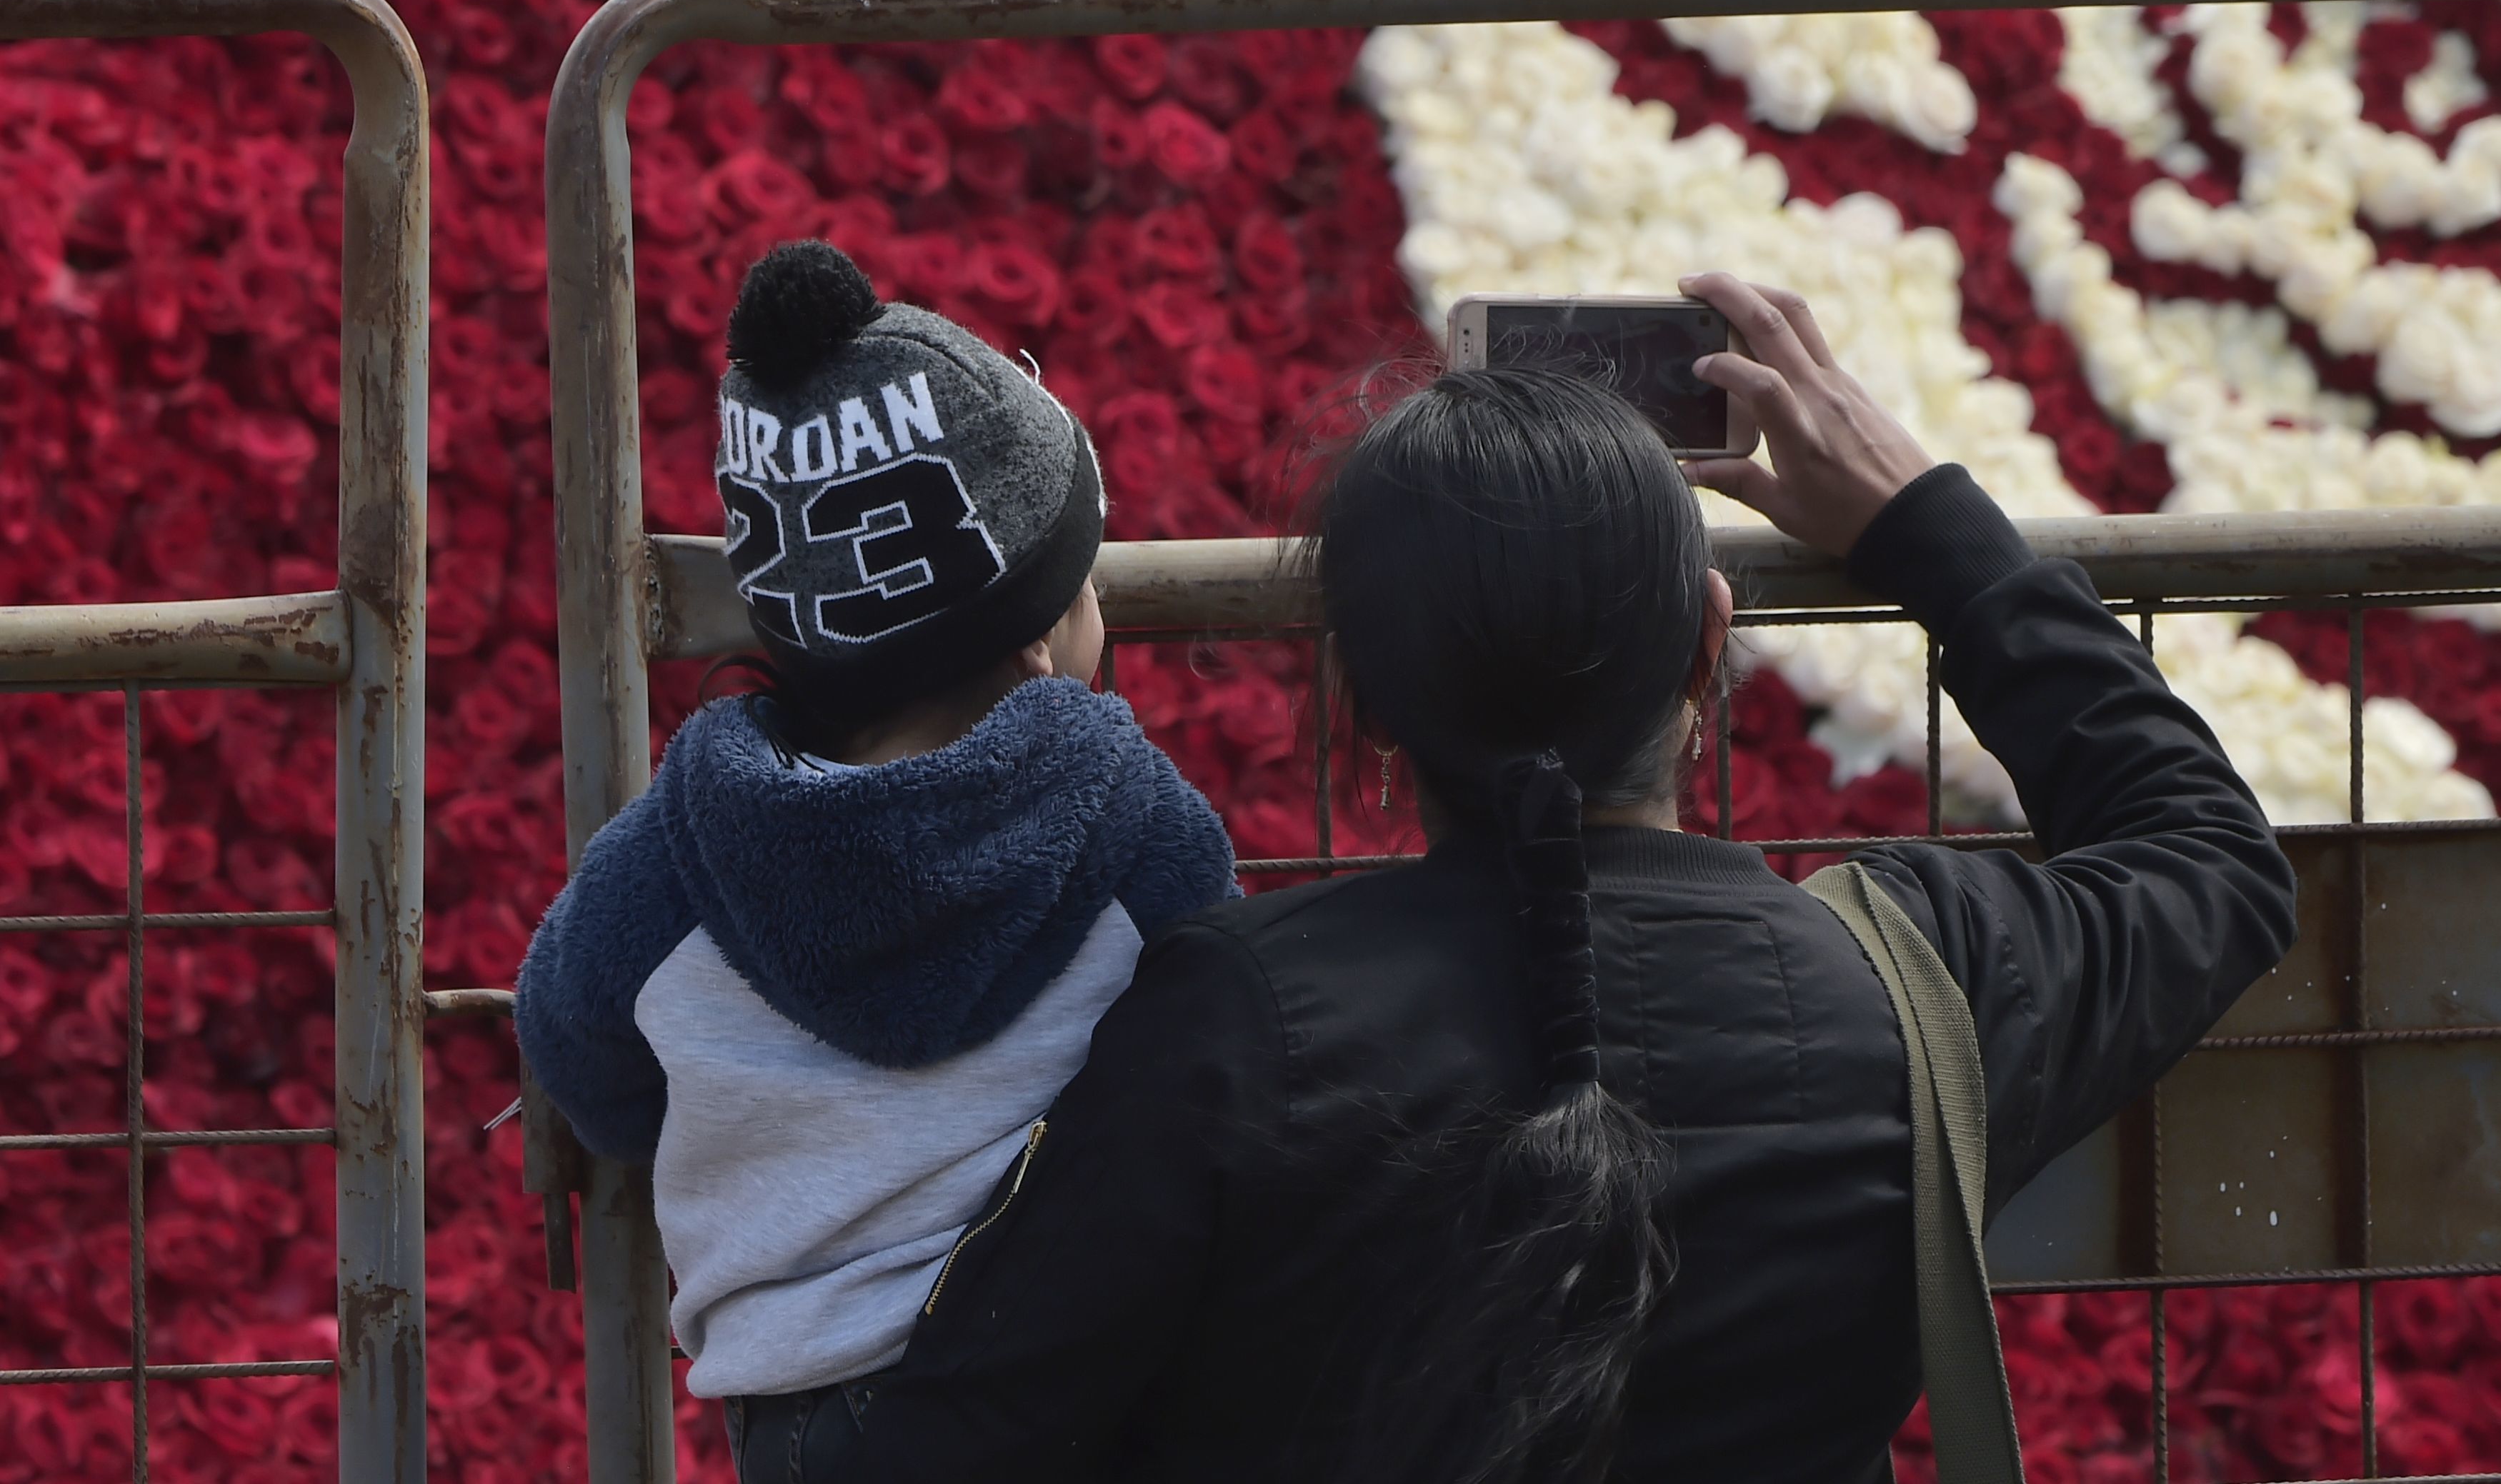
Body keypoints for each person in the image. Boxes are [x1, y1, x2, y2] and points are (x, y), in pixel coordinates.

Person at [724, 271, 2297, 1484]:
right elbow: (2210, 858)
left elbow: (967, 1442)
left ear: (1364, 702)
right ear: (1705, 650)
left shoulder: (1236, 1024)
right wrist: (1925, 531)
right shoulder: (1913, 978)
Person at [512, 240, 1236, 1413]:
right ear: (1038, 642)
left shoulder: (668, 864)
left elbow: (583, 1060)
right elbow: (1221, 1057)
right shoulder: (1135, 828)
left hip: (800, 1421)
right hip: (1079, 1395)